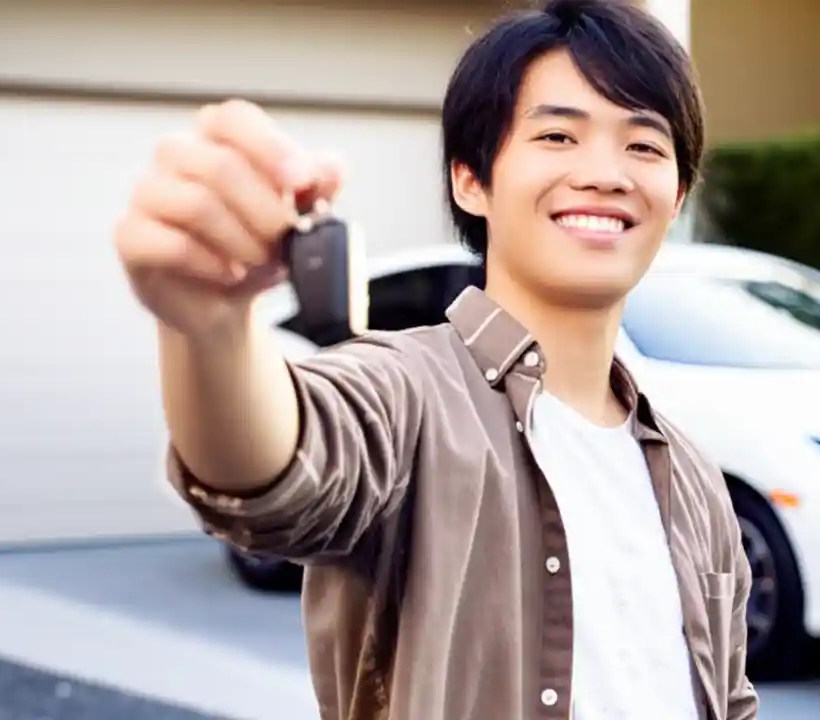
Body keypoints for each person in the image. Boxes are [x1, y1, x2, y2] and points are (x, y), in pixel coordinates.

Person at [112, 0, 759, 718]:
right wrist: (211, 328)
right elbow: (271, 468)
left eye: (644, 146)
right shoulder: (407, 396)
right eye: (557, 135)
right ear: (470, 181)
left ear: (676, 199)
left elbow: (728, 700)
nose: (605, 173)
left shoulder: (695, 481)